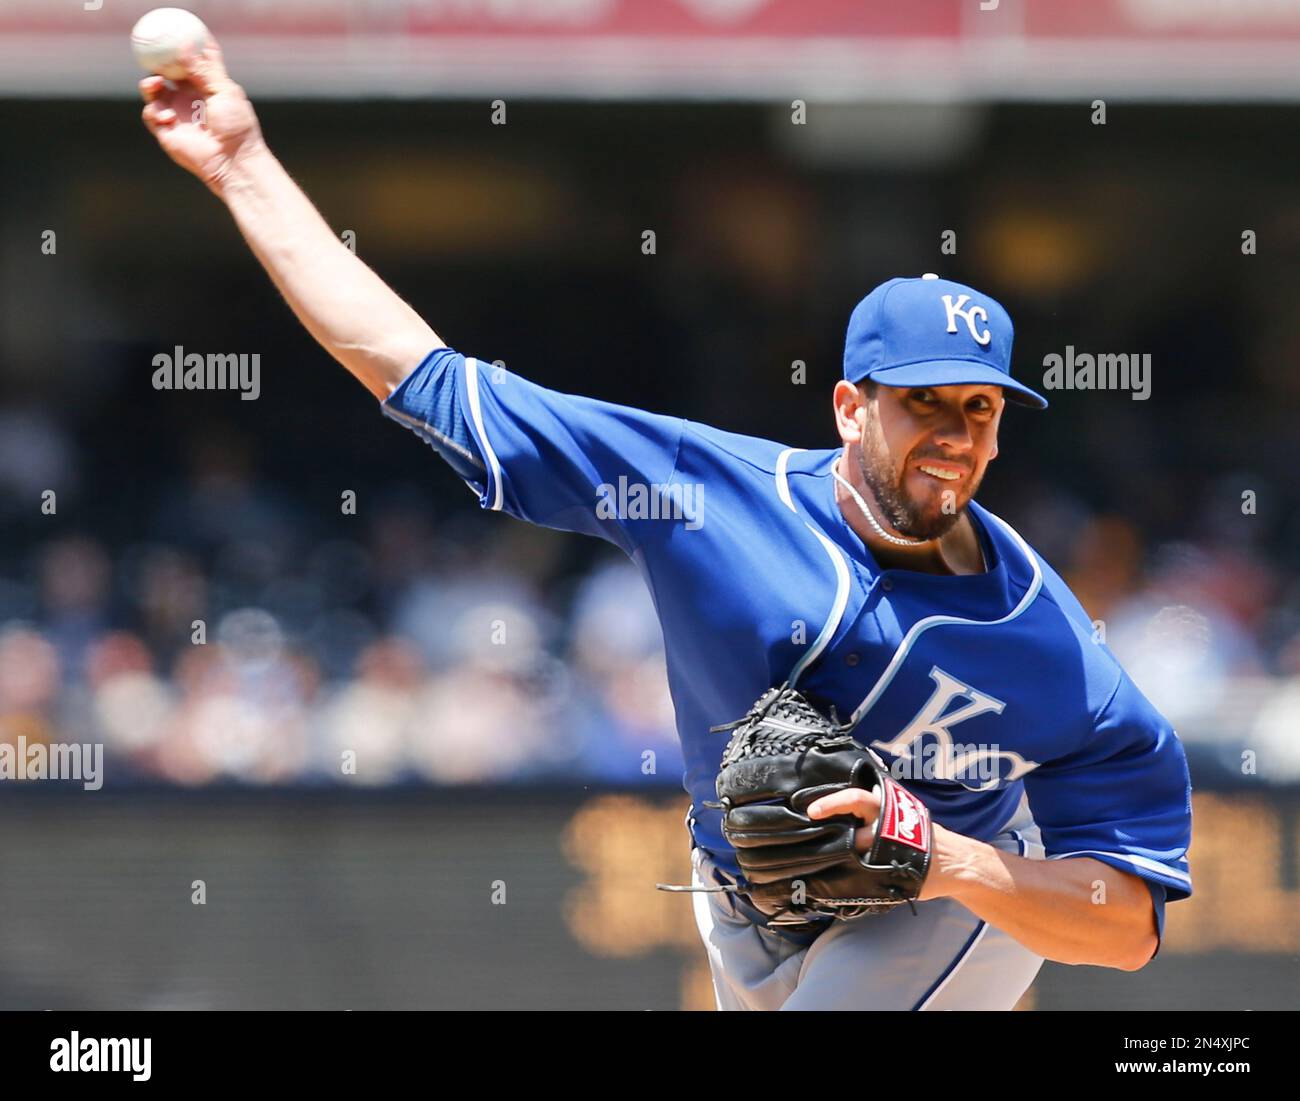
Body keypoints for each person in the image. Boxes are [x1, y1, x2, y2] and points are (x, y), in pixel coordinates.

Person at [139, 41, 1193, 1011]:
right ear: (848, 408)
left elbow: (1130, 927)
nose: (954, 433)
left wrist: (939, 854)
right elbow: (417, 373)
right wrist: (241, 166)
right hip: (739, 897)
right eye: (923, 400)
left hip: (954, 891)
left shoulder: (1042, 636)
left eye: (979, 408)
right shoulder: (701, 494)